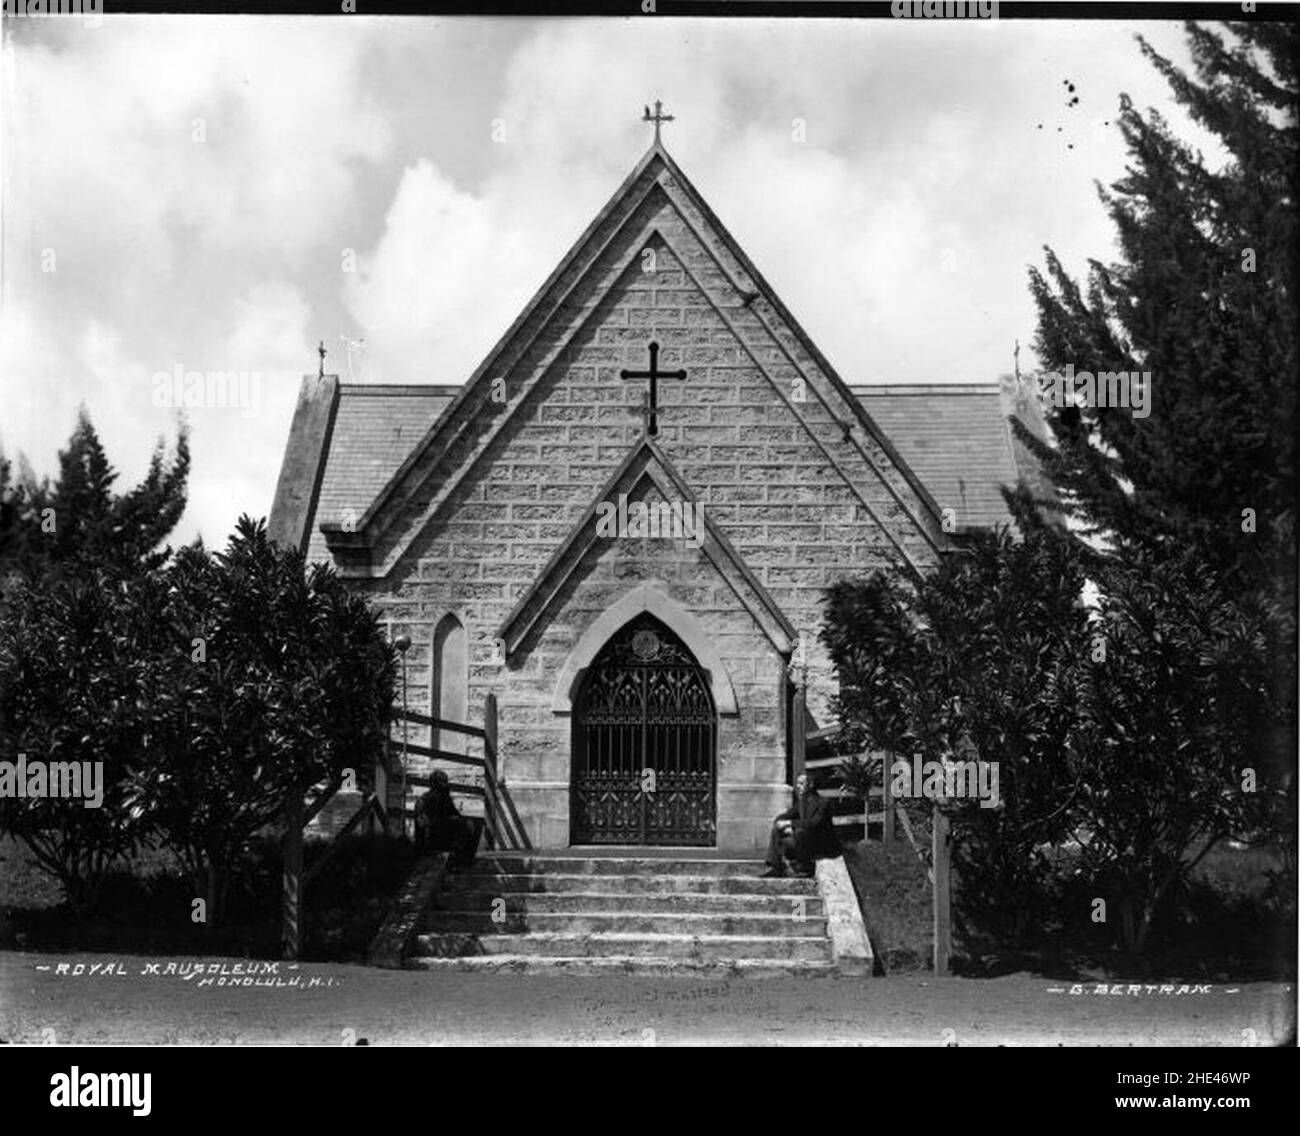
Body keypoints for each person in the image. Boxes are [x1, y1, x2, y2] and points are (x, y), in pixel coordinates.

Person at [762, 773, 838, 878]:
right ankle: (775, 866)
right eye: (797, 783)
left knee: (800, 832)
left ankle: (804, 868)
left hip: (819, 843)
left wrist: (790, 824)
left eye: (801, 783)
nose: (798, 786)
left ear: (811, 785)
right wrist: (779, 821)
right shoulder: (802, 803)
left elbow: (814, 823)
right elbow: (788, 815)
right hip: (803, 840)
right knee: (778, 830)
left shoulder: (823, 802)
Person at [414, 770, 484, 869]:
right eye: (442, 783)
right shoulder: (424, 800)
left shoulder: (445, 798)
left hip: (446, 832)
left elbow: (455, 814)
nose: (445, 786)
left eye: (445, 782)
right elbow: (424, 824)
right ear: (434, 784)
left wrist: (464, 822)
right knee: (460, 825)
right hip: (431, 838)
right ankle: (459, 862)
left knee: (476, 824)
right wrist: (450, 822)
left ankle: (464, 860)